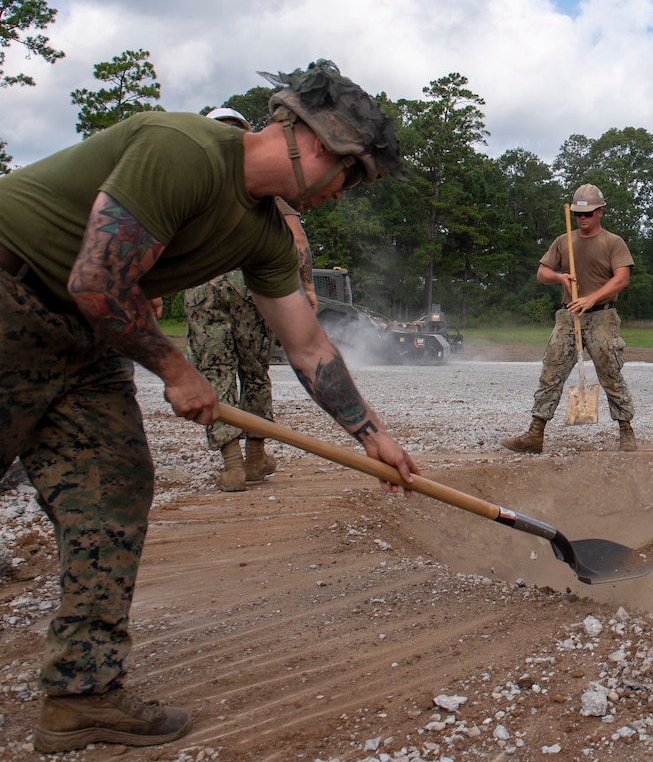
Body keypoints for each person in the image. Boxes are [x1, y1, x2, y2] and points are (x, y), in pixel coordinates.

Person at [0, 59, 419, 754]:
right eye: (350, 178)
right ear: (320, 145)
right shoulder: (184, 150)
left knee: (113, 489)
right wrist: (174, 366)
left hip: (86, 338)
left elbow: (309, 345)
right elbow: (97, 278)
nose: (342, 197)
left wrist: (371, 433)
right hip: (11, 296)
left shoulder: (264, 233)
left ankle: (80, 694)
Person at [184, 107, 316, 492]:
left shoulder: (192, 179)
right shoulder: (262, 182)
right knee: (255, 371)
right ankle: (257, 457)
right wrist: (305, 286)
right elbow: (297, 240)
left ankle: (232, 465)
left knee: (215, 370)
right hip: (249, 286)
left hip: (202, 284)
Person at [502, 183, 637, 453]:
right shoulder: (563, 240)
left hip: (602, 315)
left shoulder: (613, 242)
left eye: (588, 213)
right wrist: (559, 276)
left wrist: (591, 298)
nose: (582, 218)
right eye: (578, 214)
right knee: (551, 370)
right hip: (568, 315)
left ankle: (626, 430)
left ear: (600, 212)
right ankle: (535, 433)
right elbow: (542, 273)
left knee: (610, 371)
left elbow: (621, 279)